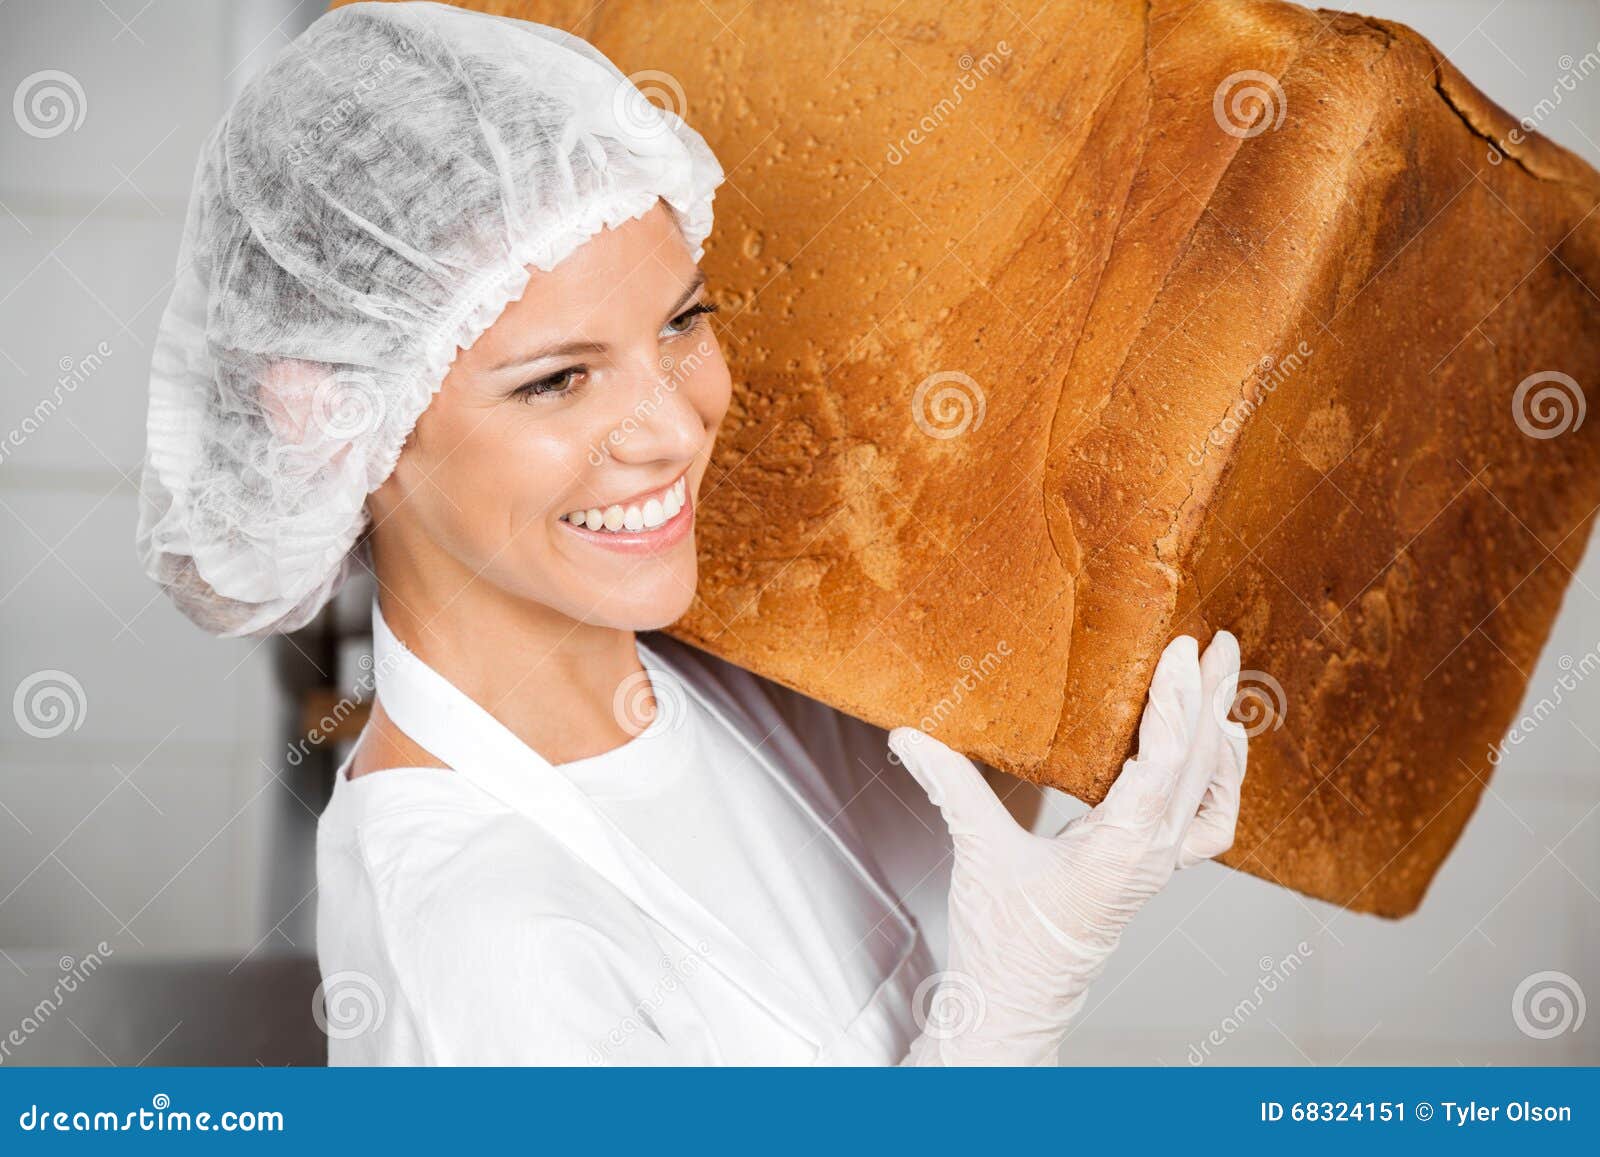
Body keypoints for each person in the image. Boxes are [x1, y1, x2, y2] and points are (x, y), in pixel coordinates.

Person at [137, 1, 1248, 1066]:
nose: (675, 428)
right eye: (557, 380)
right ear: (328, 411)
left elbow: (901, 888)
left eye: (681, 322)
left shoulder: (707, 688)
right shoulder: (485, 941)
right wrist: (1015, 1004)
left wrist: (1076, 788)